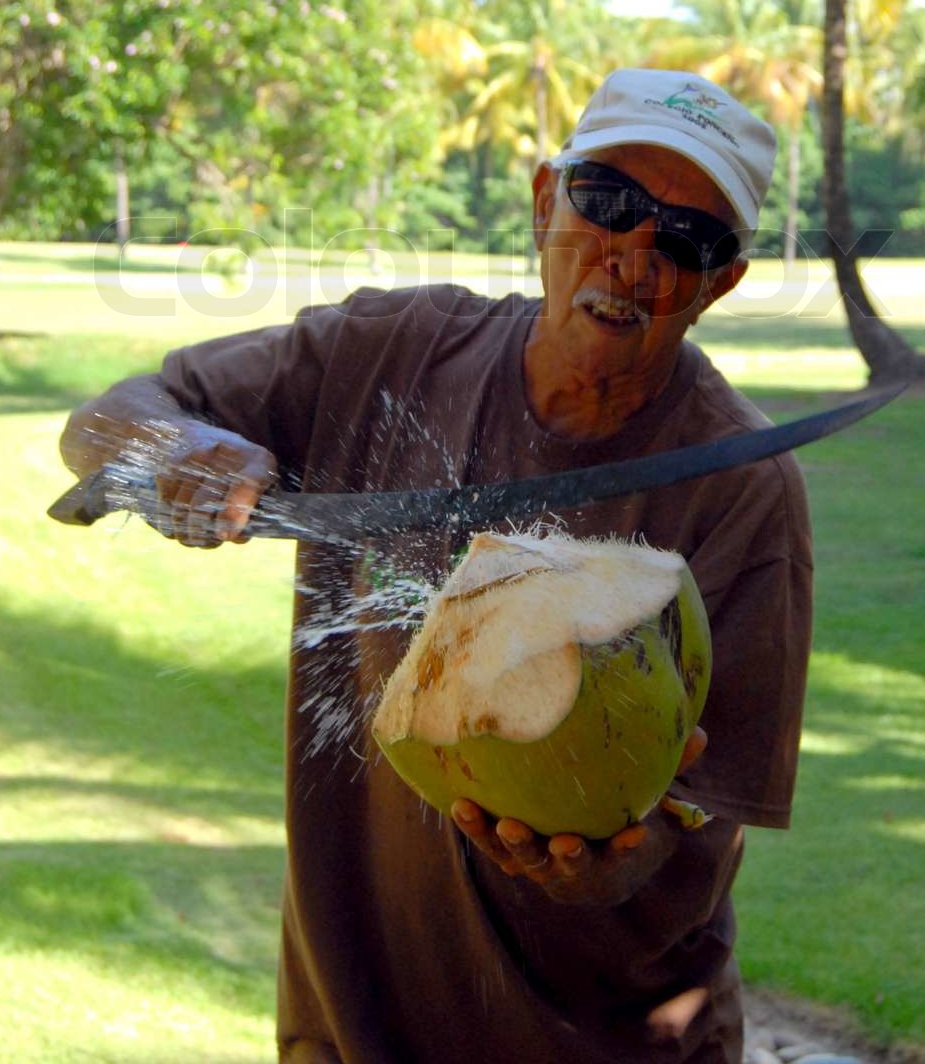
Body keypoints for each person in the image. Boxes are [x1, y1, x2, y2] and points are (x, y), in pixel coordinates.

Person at [59, 68, 812, 1064]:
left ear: (720, 280)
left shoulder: (742, 490)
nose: (633, 255)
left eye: (684, 239)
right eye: (607, 203)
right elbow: (107, 417)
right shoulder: (386, 356)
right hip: (349, 1025)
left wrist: (588, 863)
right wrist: (177, 455)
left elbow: (690, 845)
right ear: (546, 200)